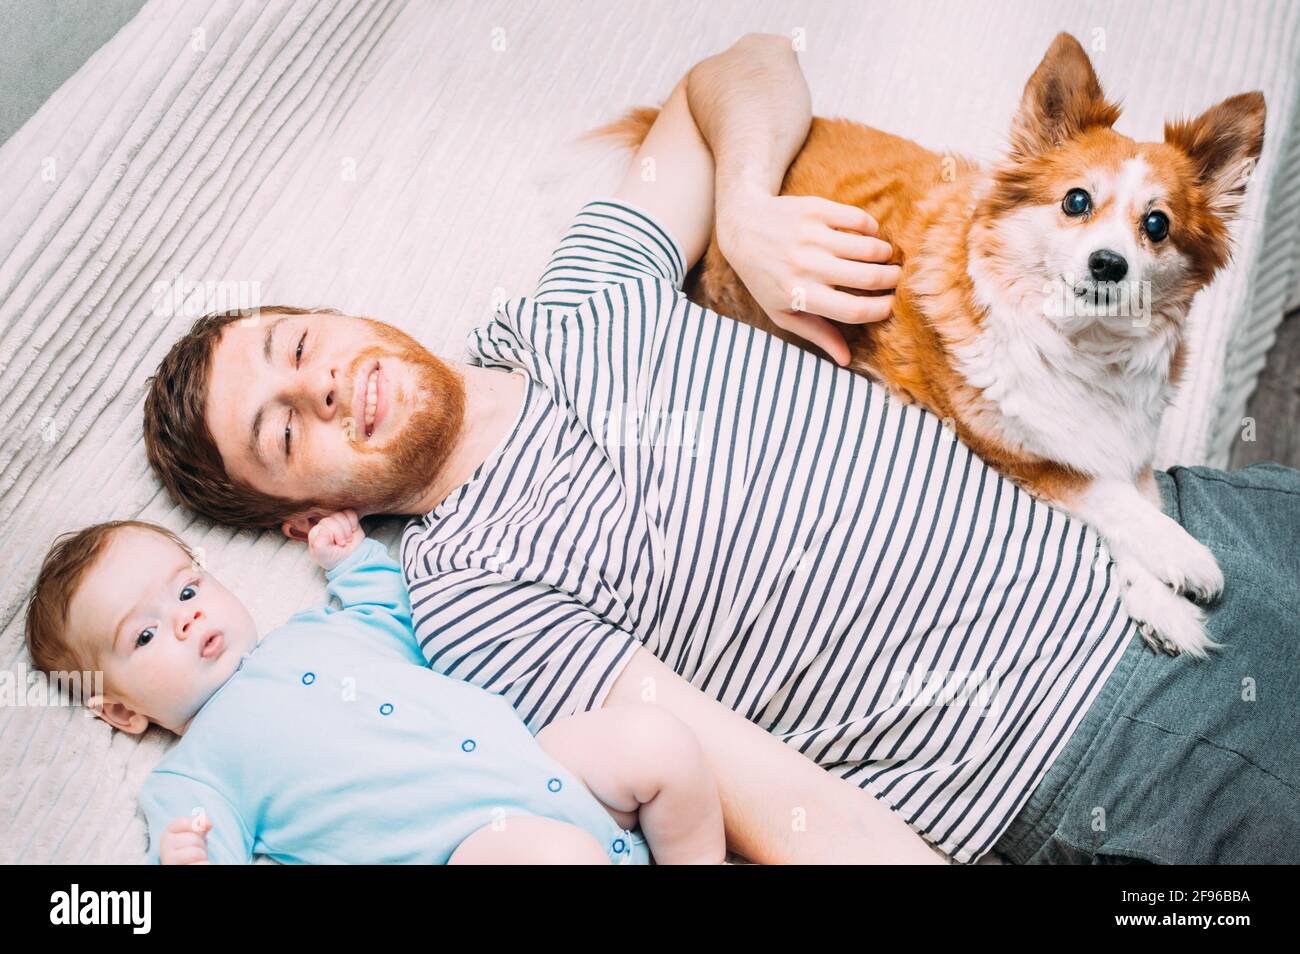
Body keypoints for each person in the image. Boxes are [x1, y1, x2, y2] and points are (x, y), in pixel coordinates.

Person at [141, 34, 1300, 863]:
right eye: (282, 430)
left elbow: (743, 69)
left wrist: (743, 211)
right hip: (1091, 744)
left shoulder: (574, 302)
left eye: (299, 344)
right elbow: (755, 790)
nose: (319, 385)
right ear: (305, 517)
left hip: (1171, 522)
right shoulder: (465, 597)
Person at [22, 514, 725, 864]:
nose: (185, 619)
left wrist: (352, 559)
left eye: (187, 589)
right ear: (121, 710)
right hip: (462, 848)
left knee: (654, 739)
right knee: (554, 856)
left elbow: (389, 615)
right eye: (144, 635)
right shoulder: (192, 773)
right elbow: (207, 846)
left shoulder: (315, 631)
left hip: (541, 763)